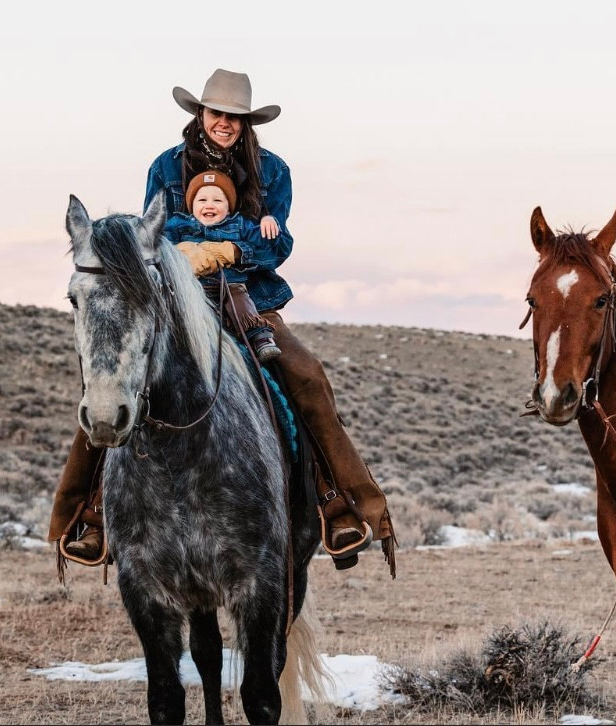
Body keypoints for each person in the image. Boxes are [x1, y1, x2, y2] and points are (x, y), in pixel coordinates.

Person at [49, 68, 396, 575]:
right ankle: (87, 515)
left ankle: (342, 503)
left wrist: (231, 248)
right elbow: (149, 238)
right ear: (201, 114)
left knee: (305, 375)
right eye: (217, 113)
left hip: (246, 298)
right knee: (113, 378)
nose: (225, 124)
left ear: (246, 121)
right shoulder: (165, 166)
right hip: (172, 301)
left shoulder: (272, 170)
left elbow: (278, 242)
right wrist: (185, 255)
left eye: (235, 117)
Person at [167, 169, 282, 362]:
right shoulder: (178, 223)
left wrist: (267, 219)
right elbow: (161, 242)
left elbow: (262, 245)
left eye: (218, 201)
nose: (209, 205)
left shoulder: (239, 224)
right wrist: (179, 250)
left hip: (229, 285)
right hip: (191, 287)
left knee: (241, 305)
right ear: (191, 205)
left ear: (229, 207)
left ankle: (260, 338)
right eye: (202, 200)